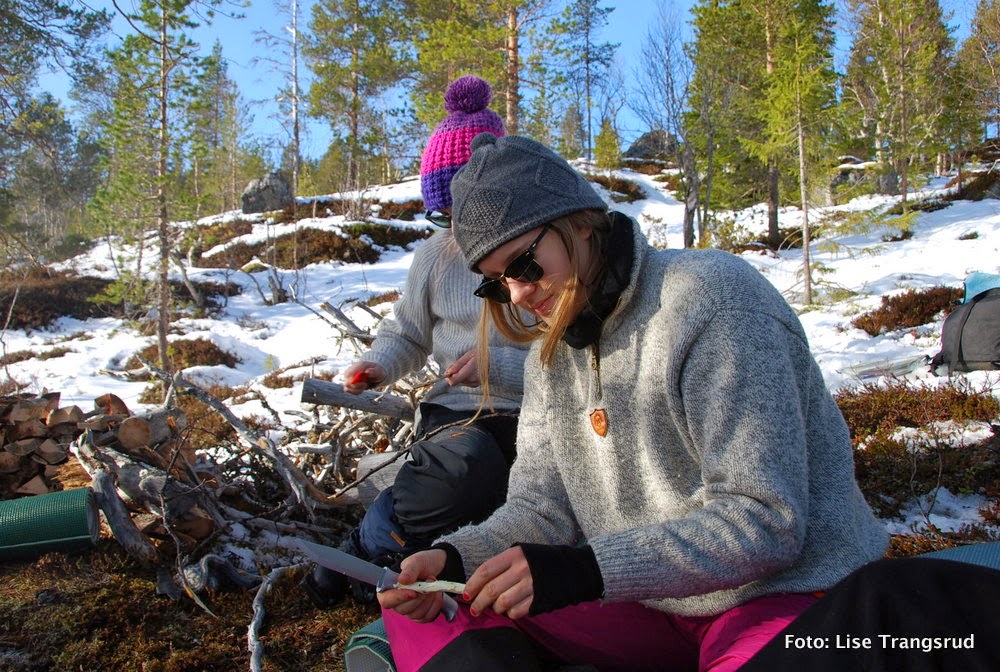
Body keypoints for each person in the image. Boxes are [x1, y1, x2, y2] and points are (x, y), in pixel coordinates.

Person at [376, 133, 889, 672]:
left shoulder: (710, 302)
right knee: (438, 616)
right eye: (497, 284)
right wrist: (454, 560)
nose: (520, 294)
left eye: (524, 264)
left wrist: (586, 571)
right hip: (650, 603)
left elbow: (766, 519)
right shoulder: (550, 359)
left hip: (784, 593)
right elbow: (539, 510)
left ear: (578, 221)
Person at [301, 77, 529, 608]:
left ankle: (432, 571)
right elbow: (406, 331)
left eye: (467, 216)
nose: (456, 230)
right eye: (442, 216)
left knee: (517, 498)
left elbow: (566, 354)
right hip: (458, 415)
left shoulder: (538, 256)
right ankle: (368, 549)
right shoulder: (434, 256)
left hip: (540, 409)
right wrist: (379, 365)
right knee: (465, 468)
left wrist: (501, 367)